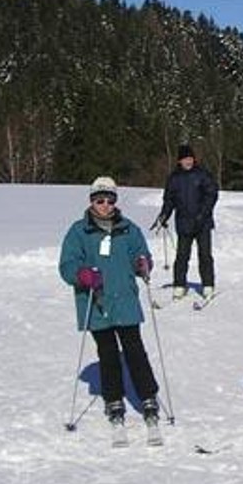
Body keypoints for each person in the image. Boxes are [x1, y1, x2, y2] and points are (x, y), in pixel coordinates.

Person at [58, 176, 161, 429]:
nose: (105, 205)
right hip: (96, 303)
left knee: (135, 349)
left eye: (109, 200)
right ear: (91, 201)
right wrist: (81, 274)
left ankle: (148, 395)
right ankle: (113, 398)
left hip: (124, 299)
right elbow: (66, 265)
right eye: (99, 200)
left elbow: (142, 255)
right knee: (108, 352)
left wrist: (143, 264)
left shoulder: (129, 229)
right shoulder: (79, 231)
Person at [153, 144, 219, 300]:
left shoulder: (202, 175)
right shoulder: (174, 178)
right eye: (184, 159)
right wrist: (163, 216)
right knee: (182, 256)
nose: (188, 161)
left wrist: (203, 214)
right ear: (179, 161)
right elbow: (169, 200)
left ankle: (208, 285)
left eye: (190, 158)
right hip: (184, 223)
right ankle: (179, 285)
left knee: (205, 255)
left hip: (202, 223)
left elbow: (212, 195)